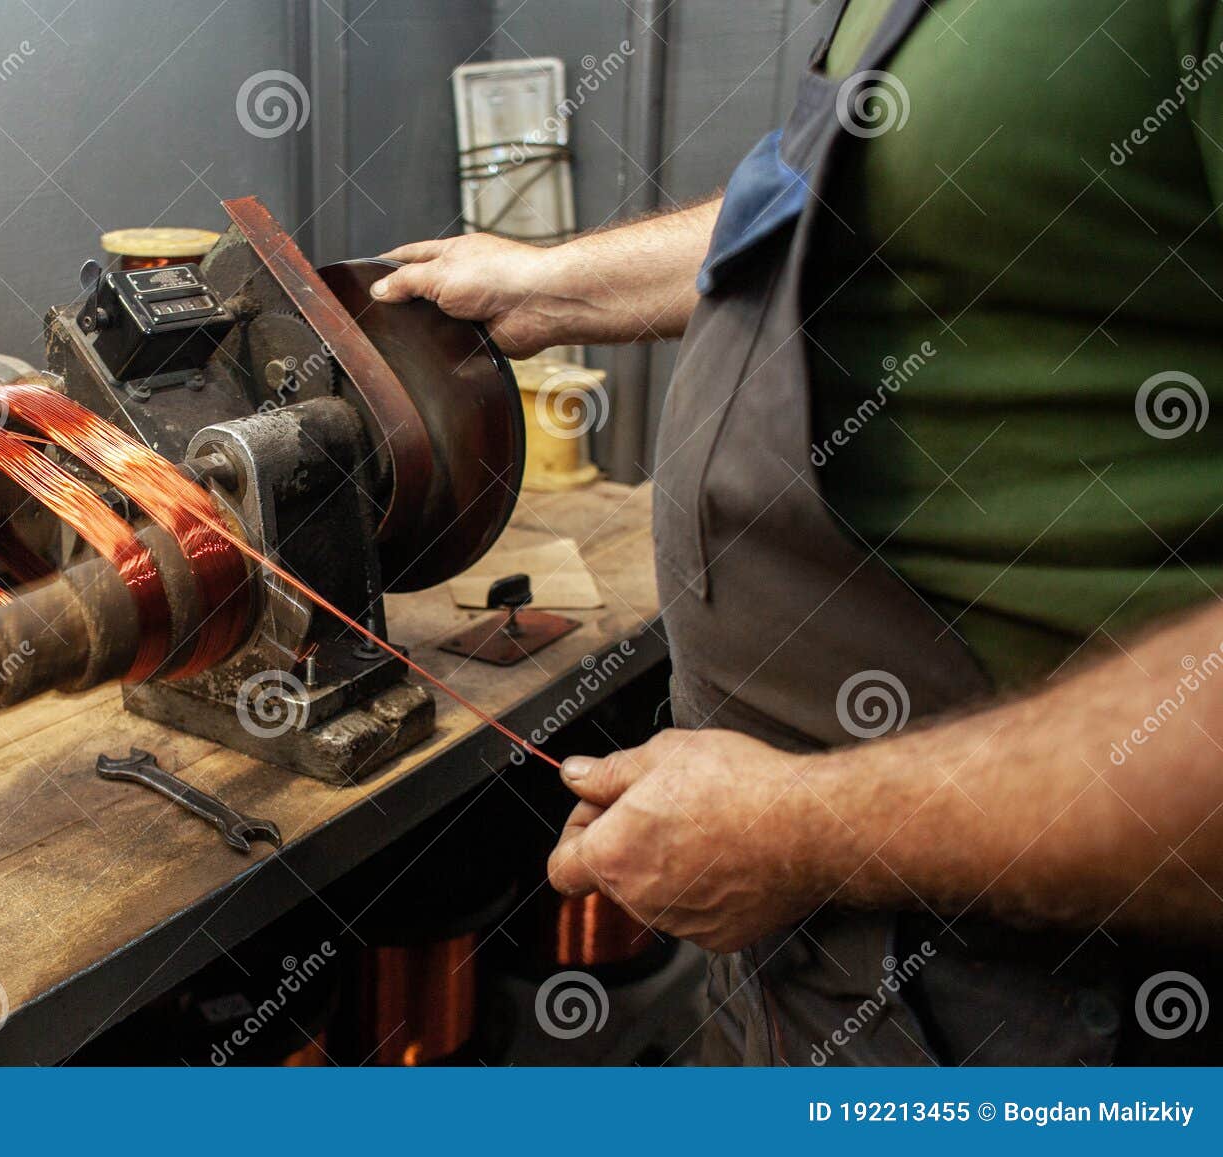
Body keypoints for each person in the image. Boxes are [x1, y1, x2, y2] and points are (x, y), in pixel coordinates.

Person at [371, 0, 1223, 1064]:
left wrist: (806, 829)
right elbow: (842, 220)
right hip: (807, 947)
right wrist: (547, 283)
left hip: (1036, 1001)